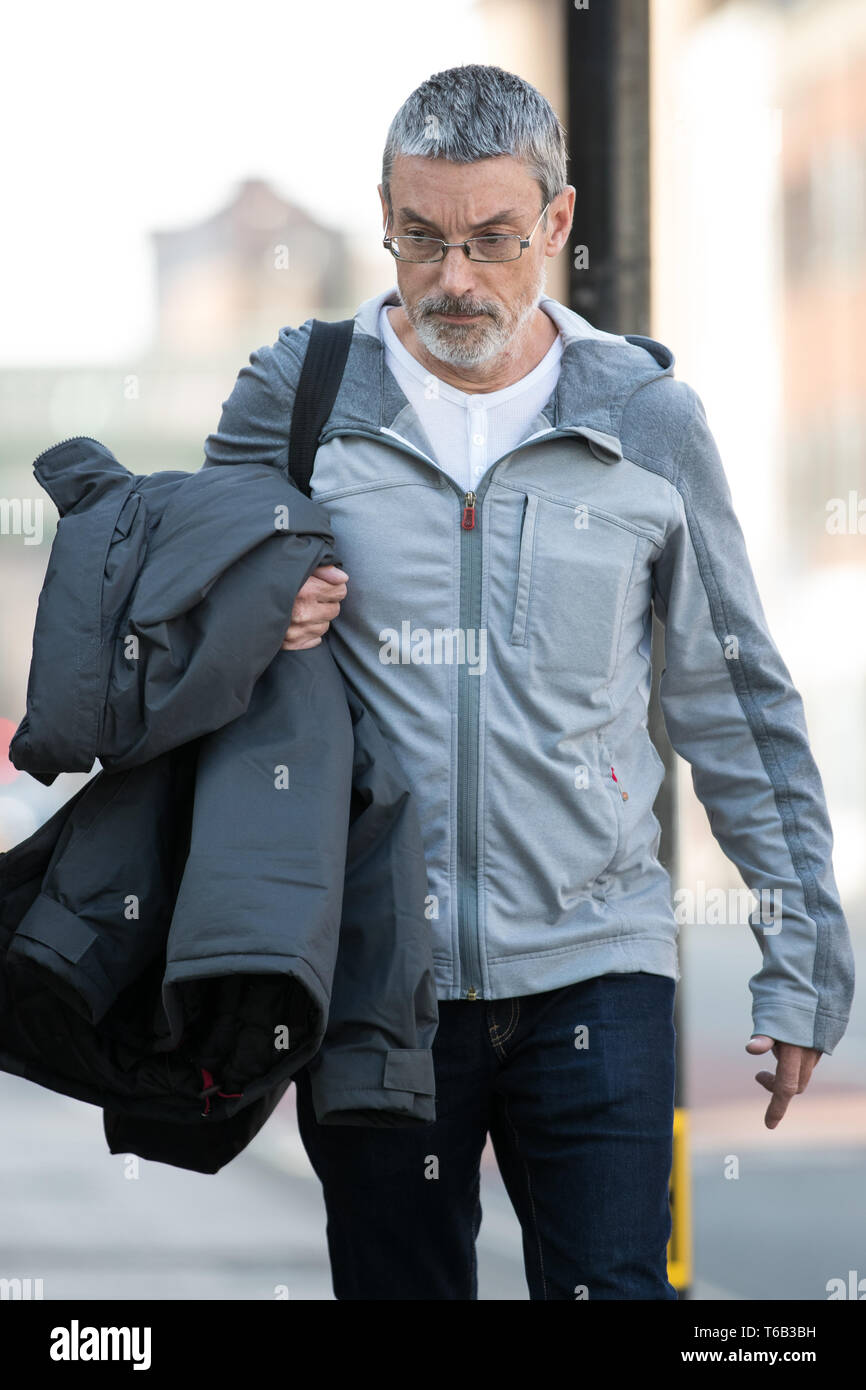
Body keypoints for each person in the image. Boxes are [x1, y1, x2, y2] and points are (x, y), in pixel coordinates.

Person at [201, 63, 854, 1300]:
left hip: (597, 969)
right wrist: (255, 611)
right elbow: (181, 620)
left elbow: (732, 704)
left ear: (554, 223)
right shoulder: (301, 400)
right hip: (374, 979)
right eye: (421, 237)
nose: (453, 277)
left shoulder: (644, 419)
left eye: (492, 239)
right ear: (384, 216)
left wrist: (798, 956)